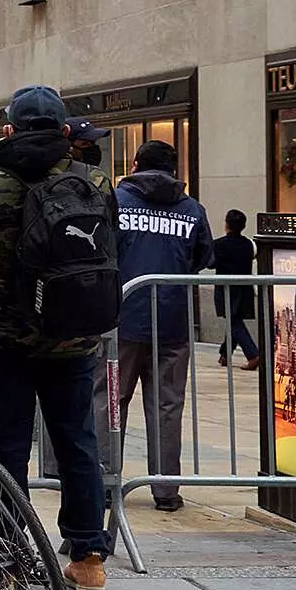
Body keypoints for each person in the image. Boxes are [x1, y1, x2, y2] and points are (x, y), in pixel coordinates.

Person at [0, 85, 117, 590]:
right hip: (73, 336)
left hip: (3, 338)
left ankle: (11, 559)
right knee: (77, 442)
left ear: (8, 130)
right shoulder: (95, 181)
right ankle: (88, 559)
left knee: (7, 447)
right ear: (64, 131)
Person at [115, 140, 213, 513]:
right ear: (175, 170)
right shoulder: (191, 210)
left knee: (110, 403)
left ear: (136, 164)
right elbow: (202, 256)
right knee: (168, 406)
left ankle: (107, 483)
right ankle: (166, 490)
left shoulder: (116, 203)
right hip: (172, 321)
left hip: (122, 320)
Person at [212, 209, 261, 371]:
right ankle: (225, 354)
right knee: (234, 319)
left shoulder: (219, 244)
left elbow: (210, 263)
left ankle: (253, 354)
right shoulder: (249, 244)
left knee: (234, 321)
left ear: (226, 225)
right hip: (244, 288)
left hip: (226, 288)